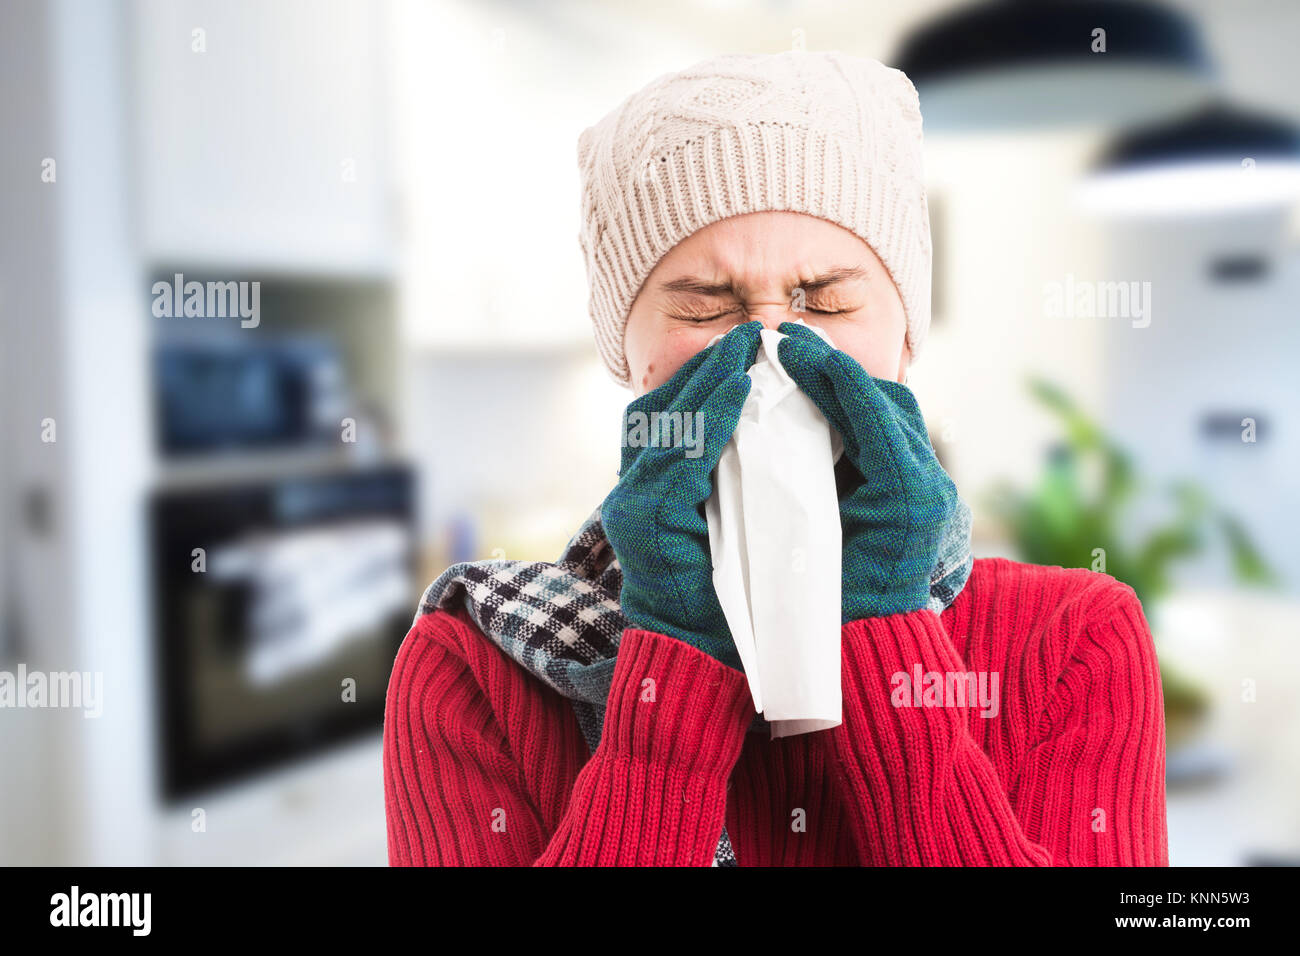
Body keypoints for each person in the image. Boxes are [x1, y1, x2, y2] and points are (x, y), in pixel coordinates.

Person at [382, 51, 1169, 866]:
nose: (770, 355)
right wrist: (672, 672)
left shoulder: (1076, 640)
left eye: (826, 301)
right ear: (629, 355)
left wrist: (887, 639)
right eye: (706, 307)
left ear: (903, 343)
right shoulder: (470, 671)